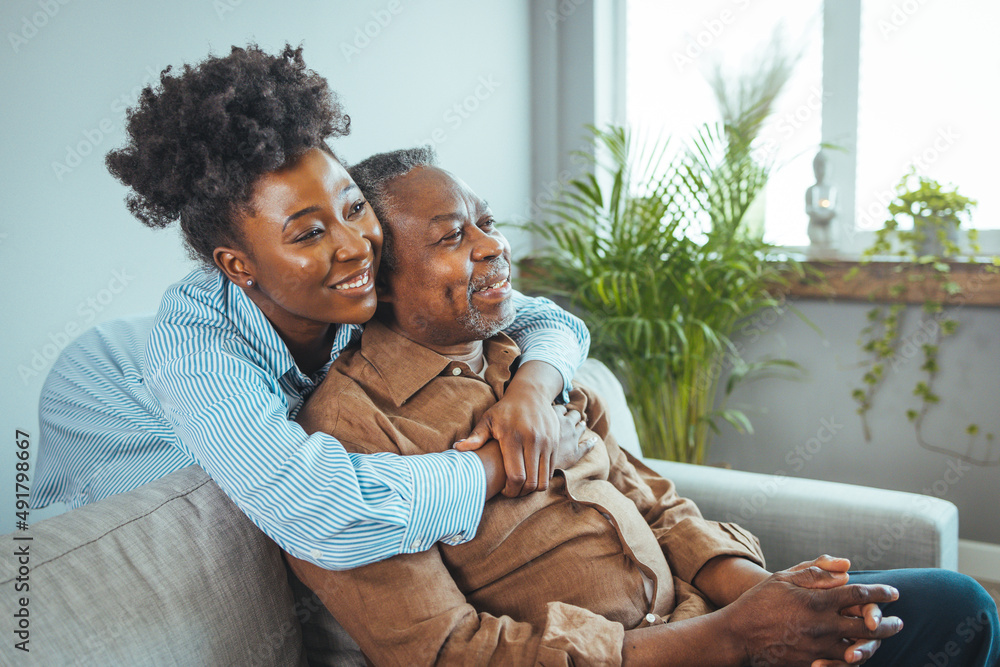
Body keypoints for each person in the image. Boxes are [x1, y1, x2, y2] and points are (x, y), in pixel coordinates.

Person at [285, 147, 1000, 667]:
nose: (494, 245)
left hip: (714, 621)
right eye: (452, 236)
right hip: (652, 655)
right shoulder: (347, 435)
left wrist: (771, 597)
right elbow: (449, 653)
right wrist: (732, 636)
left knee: (956, 604)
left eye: (486, 223)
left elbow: (654, 502)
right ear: (375, 277)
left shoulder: (523, 356)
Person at [29, 44, 595, 571]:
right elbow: (326, 516)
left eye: (353, 207)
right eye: (307, 235)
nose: (354, 247)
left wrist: (531, 395)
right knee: (233, 533)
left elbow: (548, 320)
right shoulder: (197, 351)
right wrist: (504, 463)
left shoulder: (363, 284)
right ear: (237, 265)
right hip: (109, 402)